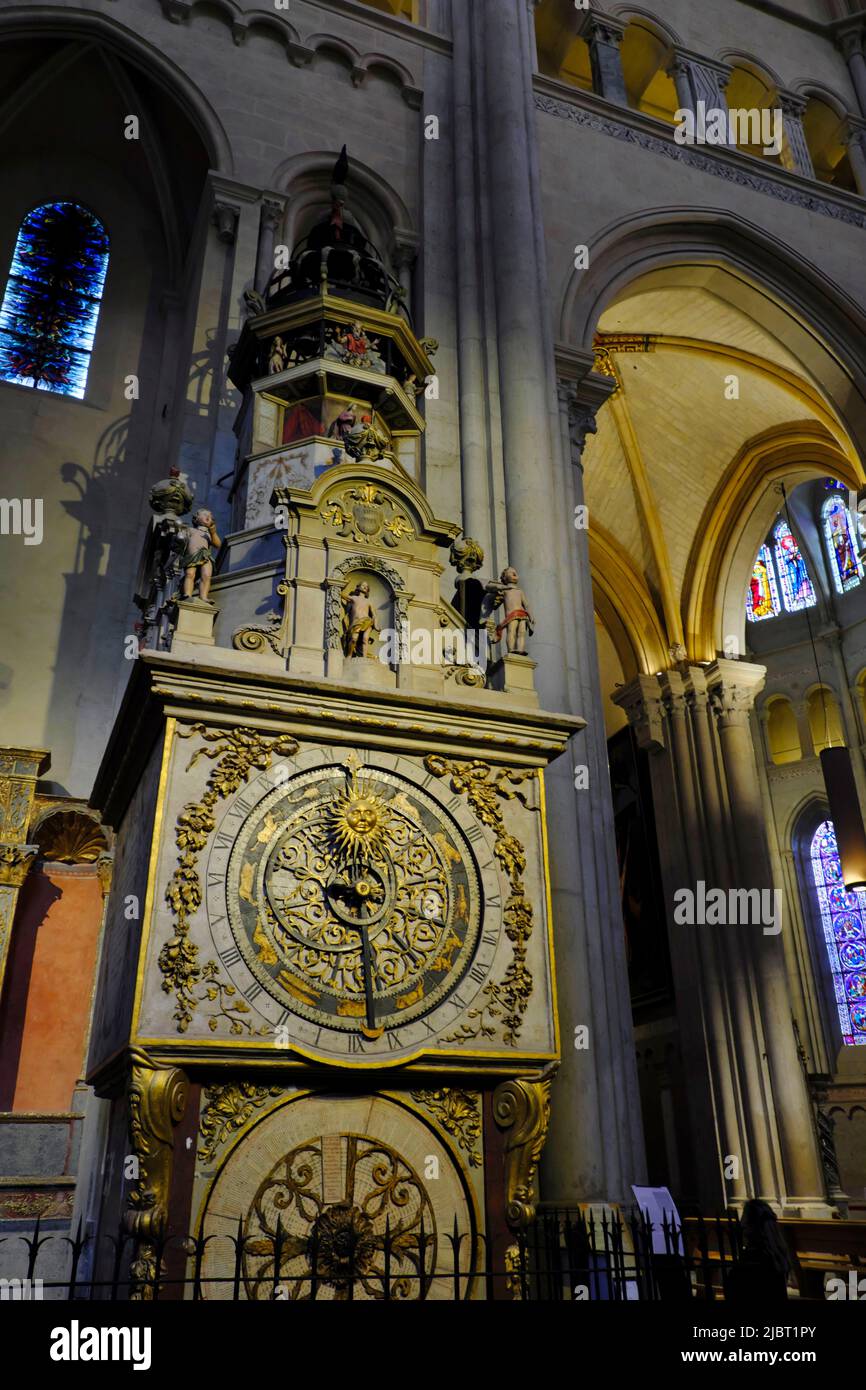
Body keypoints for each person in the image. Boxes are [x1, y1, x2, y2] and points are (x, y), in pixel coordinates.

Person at [724, 1200, 792, 1304]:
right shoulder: (777, 1252)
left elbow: (735, 1288)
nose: (742, 1225)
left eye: (744, 1219)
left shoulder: (755, 1256)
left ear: (752, 1226)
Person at [179, 509, 221, 603]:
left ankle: (203, 597)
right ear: (197, 518)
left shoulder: (209, 534)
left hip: (205, 556)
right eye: (205, 515)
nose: (208, 517)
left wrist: (213, 533)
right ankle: (187, 594)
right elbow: (181, 540)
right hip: (192, 555)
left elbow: (218, 544)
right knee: (190, 574)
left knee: (206, 575)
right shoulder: (190, 530)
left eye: (211, 517)